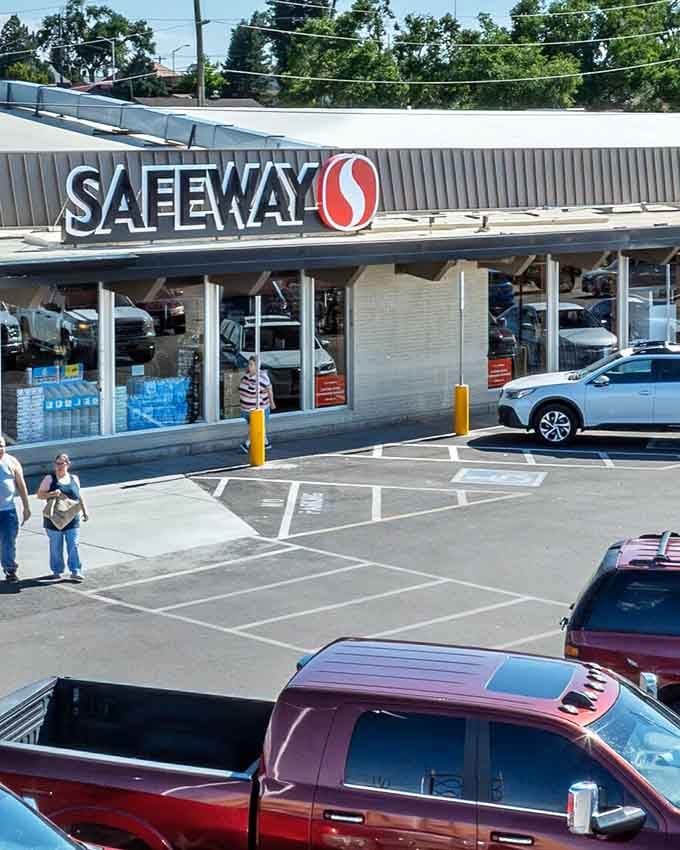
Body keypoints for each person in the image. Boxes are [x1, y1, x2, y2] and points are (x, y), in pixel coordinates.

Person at [37, 453, 89, 582]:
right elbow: (39, 495)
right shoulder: (50, 478)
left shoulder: (74, 478)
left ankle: (76, 570)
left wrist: (85, 510)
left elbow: (79, 496)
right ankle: (57, 570)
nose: (59, 466)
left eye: (62, 463)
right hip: (54, 519)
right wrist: (52, 493)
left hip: (72, 517)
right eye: (57, 464)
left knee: (74, 544)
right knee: (55, 545)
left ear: (68, 464)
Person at [0, 438, 30, 582]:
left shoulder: (11, 461)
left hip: (8, 511)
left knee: (9, 542)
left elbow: (21, 484)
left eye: (1, 446)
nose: (0, 449)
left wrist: (26, 507)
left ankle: (10, 570)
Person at [239, 357, 276, 453]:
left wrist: (272, 403)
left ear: (257, 366)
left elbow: (269, 389)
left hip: (259, 409)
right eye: (249, 364)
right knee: (258, 427)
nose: (249, 366)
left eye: (251, 364)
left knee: (256, 427)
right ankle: (266, 443)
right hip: (246, 409)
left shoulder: (262, 377)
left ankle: (247, 444)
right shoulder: (246, 376)